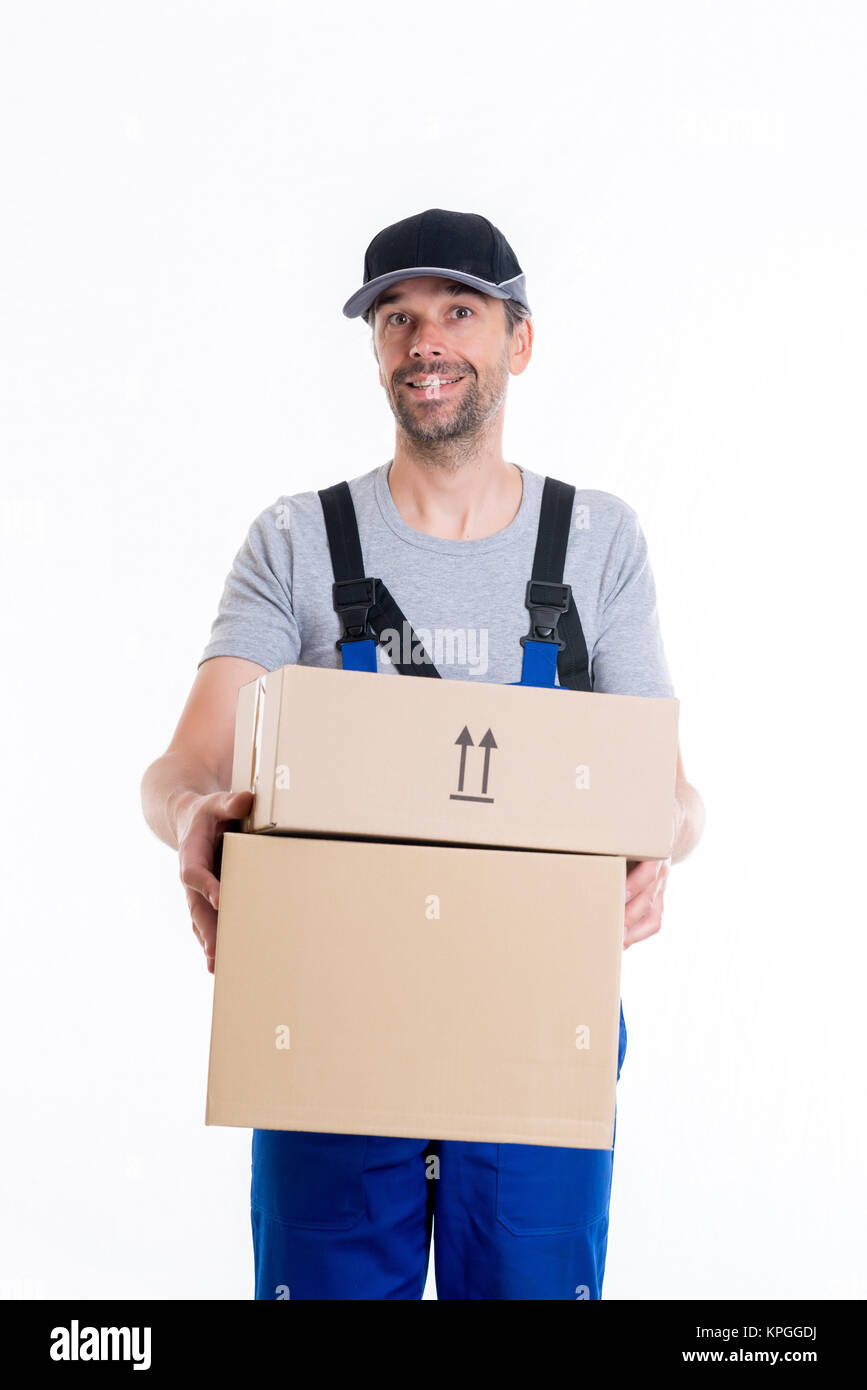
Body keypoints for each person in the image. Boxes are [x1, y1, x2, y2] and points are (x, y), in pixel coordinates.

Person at [140, 207, 705, 1300]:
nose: (424, 342)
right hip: (330, 1043)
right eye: (396, 318)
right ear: (375, 350)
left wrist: (660, 846)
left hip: (540, 1034)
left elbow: (674, 793)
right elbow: (181, 767)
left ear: (519, 340)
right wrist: (191, 819)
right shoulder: (299, 543)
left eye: (457, 311)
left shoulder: (597, 543)